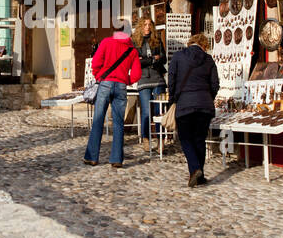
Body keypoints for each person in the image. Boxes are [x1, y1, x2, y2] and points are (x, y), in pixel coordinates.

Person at [83, 21, 141, 169]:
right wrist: (126, 80)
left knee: (98, 120)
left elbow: (96, 63)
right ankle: (116, 159)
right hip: (121, 85)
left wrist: (99, 76)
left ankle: (92, 157)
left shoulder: (106, 42)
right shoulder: (132, 50)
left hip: (105, 83)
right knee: (118, 123)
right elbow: (137, 74)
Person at [167, 32, 220, 188]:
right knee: (199, 139)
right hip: (205, 105)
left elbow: (171, 80)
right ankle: (200, 176)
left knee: (185, 139)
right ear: (204, 46)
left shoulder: (178, 57)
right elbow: (215, 84)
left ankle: (195, 168)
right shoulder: (209, 59)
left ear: (190, 43)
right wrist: (207, 97)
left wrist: (172, 100)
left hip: (184, 104)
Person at [134, 16, 167, 153]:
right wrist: (153, 59)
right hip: (143, 80)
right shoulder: (135, 42)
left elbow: (164, 58)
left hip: (158, 78)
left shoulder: (157, 40)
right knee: (147, 112)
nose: (147, 27)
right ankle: (146, 137)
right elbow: (136, 61)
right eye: (144, 24)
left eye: (149, 24)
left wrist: (147, 60)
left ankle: (160, 139)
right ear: (140, 26)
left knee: (159, 112)